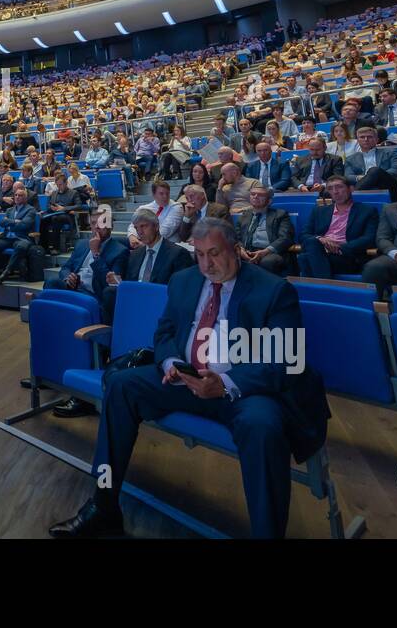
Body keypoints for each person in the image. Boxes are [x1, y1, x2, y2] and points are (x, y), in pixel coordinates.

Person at [48, 217, 329, 539]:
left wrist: (223, 383)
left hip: (244, 391)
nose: (207, 264)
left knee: (263, 427)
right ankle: (103, 504)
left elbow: (285, 361)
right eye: (199, 254)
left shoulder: (275, 290)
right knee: (121, 386)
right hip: (185, 379)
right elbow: (165, 332)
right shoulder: (184, 280)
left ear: (236, 250)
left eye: (215, 253)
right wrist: (171, 362)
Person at [297, 176, 379, 278]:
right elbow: (303, 235)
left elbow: (369, 238)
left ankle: (318, 289)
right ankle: (325, 286)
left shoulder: (367, 211)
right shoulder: (319, 211)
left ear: (351, 189)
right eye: (330, 188)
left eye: (339, 187)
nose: (335, 192)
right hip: (320, 251)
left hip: (346, 255)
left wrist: (339, 247)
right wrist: (321, 239)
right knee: (312, 242)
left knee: (304, 258)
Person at [45, 222, 128, 302]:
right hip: (73, 287)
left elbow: (111, 285)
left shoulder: (120, 251)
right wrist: (68, 278)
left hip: (92, 293)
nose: (97, 227)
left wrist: (96, 254)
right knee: (52, 282)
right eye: (93, 223)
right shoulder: (82, 243)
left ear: (111, 226)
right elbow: (66, 267)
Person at [235, 186, 295, 275]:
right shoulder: (244, 216)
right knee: (229, 257)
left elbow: (285, 238)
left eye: (260, 195)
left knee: (267, 262)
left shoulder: (280, 215)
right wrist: (241, 250)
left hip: (270, 252)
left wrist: (265, 251)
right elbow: (236, 237)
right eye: (253, 194)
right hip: (247, 251)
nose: (255, 196)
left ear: (269, 200)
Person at [0, 188, 37, 283]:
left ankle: (7, 272)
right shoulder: (10, 210)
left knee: (21, 247)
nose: (17, 197)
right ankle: (6, 266)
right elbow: (2, 223)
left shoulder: (30, 210)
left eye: (20, 195)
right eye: (16, 195)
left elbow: (25, 225)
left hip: (21, 237)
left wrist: (9, 224)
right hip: (7, 237)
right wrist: (14, 221)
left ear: (25, 198)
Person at [343, 126, 397, 199]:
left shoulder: (390, 152)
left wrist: (377, 176)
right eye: (362, 137)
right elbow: (348, 176)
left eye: (369, 137)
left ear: (377, 140)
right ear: (358, 140)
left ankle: (351, 198)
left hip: (387, 185)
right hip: (364, 186)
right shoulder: (351, 159)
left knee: (375, 171)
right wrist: (363, 178)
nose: (366, 140)